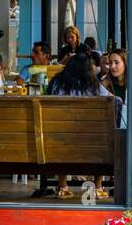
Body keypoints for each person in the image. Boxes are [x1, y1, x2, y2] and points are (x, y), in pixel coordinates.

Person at [47, 53, 114, 198]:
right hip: (88, 139)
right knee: (100, 140)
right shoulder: (92, 84)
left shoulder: (56, 83)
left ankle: (63, 186)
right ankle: (97, 186)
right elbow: (112, 99)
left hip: (59, 137)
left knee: (62, 139)